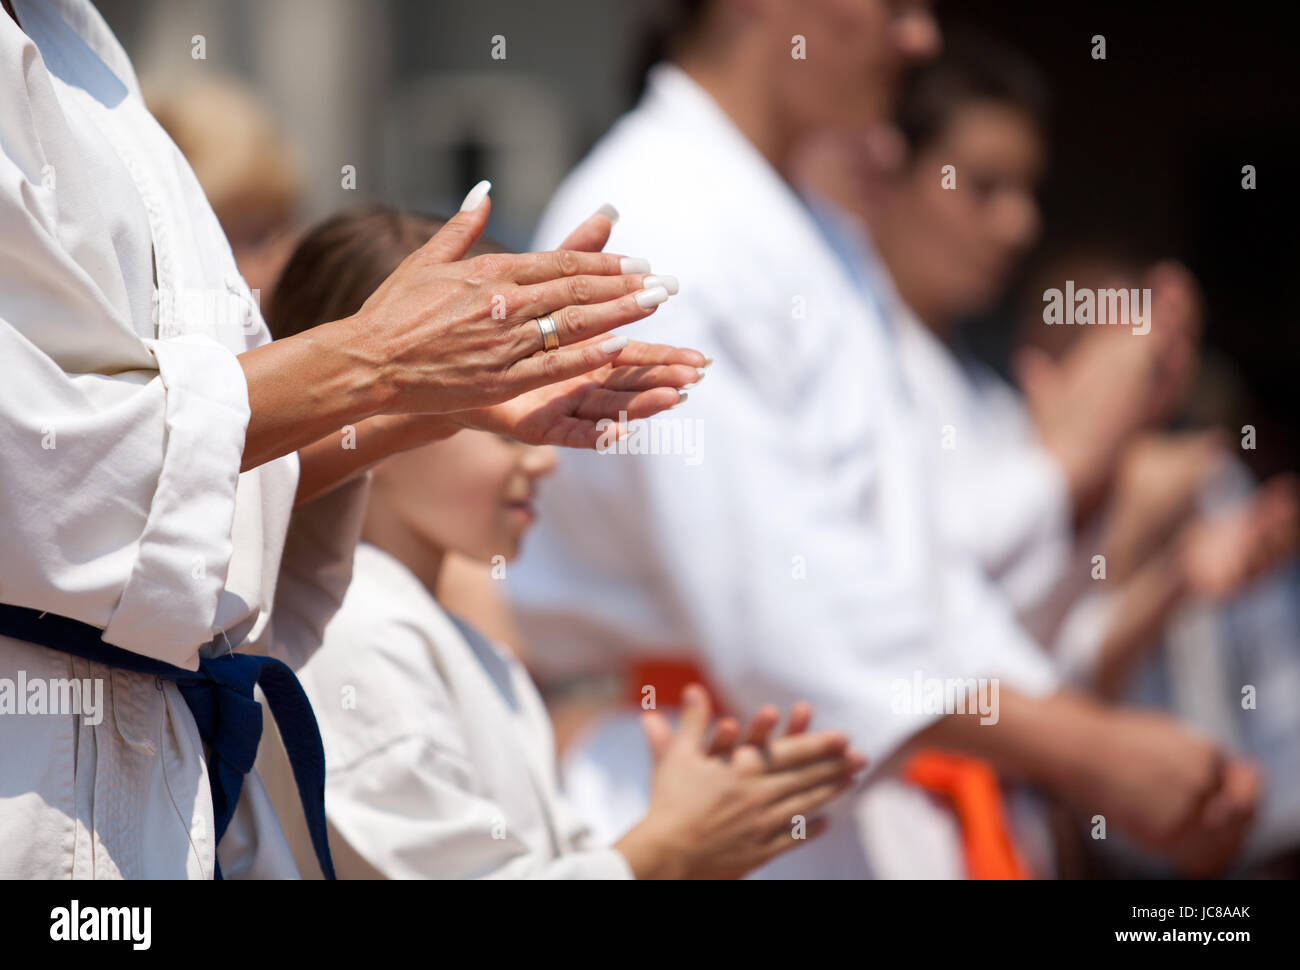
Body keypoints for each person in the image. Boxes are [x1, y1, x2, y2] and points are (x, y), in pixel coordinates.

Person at [505, 0, 1256, 878]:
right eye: (893, 6)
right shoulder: (666, 219)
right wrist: (1088, 750)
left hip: (835, 807)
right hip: (697, 794)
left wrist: (1109, 744)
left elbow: (914, 570)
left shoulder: (806, 230)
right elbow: (797, 615)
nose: (919, 38)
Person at [0, 0, 701, 879]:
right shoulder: (378, 632)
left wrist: (425, 396)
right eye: (247, 232)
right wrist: (382, 361)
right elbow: (49, 470)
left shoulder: (81, 46)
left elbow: (190, 483)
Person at [798, 30, 1285, 875]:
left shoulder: (979, 400)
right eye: (981, 187)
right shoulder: (826, 363)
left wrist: (1160, 563)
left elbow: (1020, 654)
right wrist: (1080, 460)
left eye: (1027, 190)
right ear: (887, 173)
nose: (1017, 224)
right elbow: (874, 624)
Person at [256, 206, 865, 879]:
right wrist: (664, 855)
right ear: (376, 412)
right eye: (492, 419)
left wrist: (698, 826)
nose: (543, 458)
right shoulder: (354, 632)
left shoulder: (450, 640)